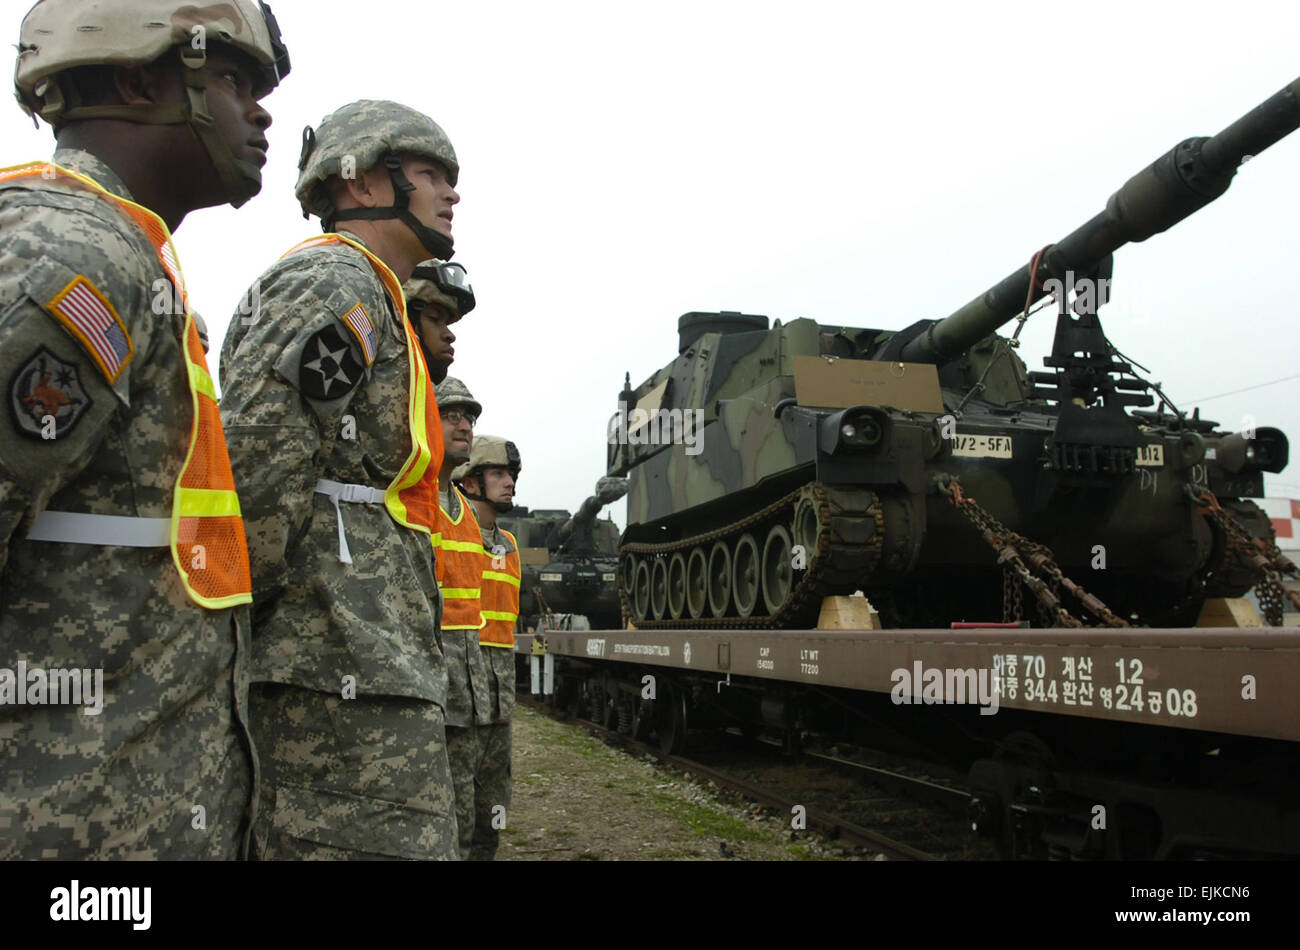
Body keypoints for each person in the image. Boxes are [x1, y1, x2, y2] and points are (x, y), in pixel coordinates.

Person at [0, 0, 290, 859]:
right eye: (236, 79)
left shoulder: (128, 259)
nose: (262, 108)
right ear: (136, 80)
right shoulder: (73, 257)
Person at [219, 100, 462, 860]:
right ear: (360, 184)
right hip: (328, 670)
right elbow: (257, 477)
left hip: (362, 658)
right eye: (429, 174)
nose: (451, 195)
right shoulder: (333, 283)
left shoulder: (374, 293)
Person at [431, 376, 502, 861]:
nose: (464, 426)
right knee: (443, 820)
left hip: (472, 688)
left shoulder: (467, 515)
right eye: (452, 415)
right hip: (432, 689)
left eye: (470, 417)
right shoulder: (411, 501)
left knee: (480, 816)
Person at [453, 435, 523, 860]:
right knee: (455, 815)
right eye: (498, 473)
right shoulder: (448, 535)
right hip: (458, 699)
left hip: (499, 705)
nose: (509, 482)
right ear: (471, 481)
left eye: (511, 474)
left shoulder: (511, 547)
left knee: (492, 814)